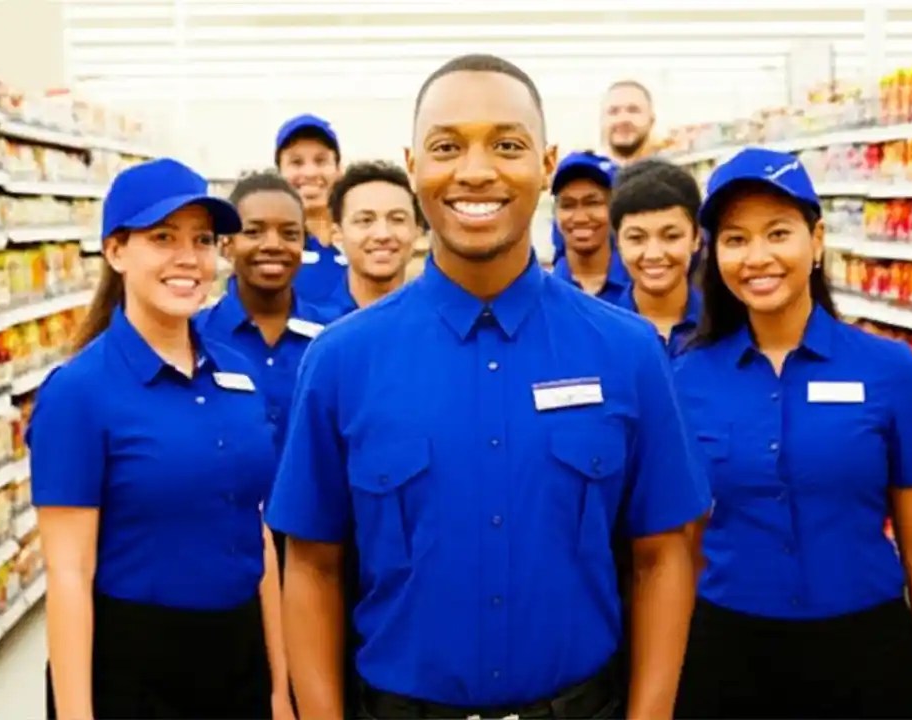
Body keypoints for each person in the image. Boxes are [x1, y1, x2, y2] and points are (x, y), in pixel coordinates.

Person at [268, 53, 709, 720]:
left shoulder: (628, 351)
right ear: (413, 165)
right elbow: (312, 566)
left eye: (507, 145)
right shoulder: (340, 360)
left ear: (547, 163)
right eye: (447, 147)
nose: (476, 170)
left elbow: (662, 557)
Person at [671, 147, 912, 720]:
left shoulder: (889, 370)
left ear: (817, 239)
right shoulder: (686, 379)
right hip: (728, 654)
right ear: (714, 255)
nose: (758, 257)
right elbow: (681, 548)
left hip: (865, 655)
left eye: (778, 233)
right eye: (735, 239)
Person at [29, 158, 290, 720]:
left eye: (202, 239)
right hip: (134, 670)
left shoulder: (239, 375)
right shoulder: (78, 393)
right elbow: (69, 573)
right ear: (116, 251)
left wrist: (279, 688)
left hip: (239, 656)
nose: (188, 258)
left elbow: (258, 536)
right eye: (163, 237)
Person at [197, 170, 332, 452]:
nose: (273, 245)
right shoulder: (193, 338)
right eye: (254, 232)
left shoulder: (334, 337)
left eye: (290, 233)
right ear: (226, 245)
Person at [607, 158, 703, 356]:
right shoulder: (598, 331)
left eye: (671, 236)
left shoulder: (728, 328)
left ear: (696, 238)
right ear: (618, 242)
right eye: (637, 238)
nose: (654, 254)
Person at [320, 160, 421, 317]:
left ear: (417, 230)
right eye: (365, 220)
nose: (383, 235)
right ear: (337, 233)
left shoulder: (439, 324)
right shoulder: (310, 326)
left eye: (397, 219)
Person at [275, 113, 346, 303]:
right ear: (279, 173)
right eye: (296, 162)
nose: (310, 173)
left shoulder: (360, 242)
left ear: (339, 170)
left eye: (321, 161)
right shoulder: (268, 248)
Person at [548, 150, 630, 305]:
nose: (580, 218)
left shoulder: (643, 286)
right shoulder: (540, 292)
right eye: (567, 205)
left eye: (593, 203)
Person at [601, 80, 661, 166]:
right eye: (613, 111)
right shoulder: (585, 175)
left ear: (651, 120)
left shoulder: (675, 175)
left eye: (633, 110)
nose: (623, 119)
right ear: (602, 121)